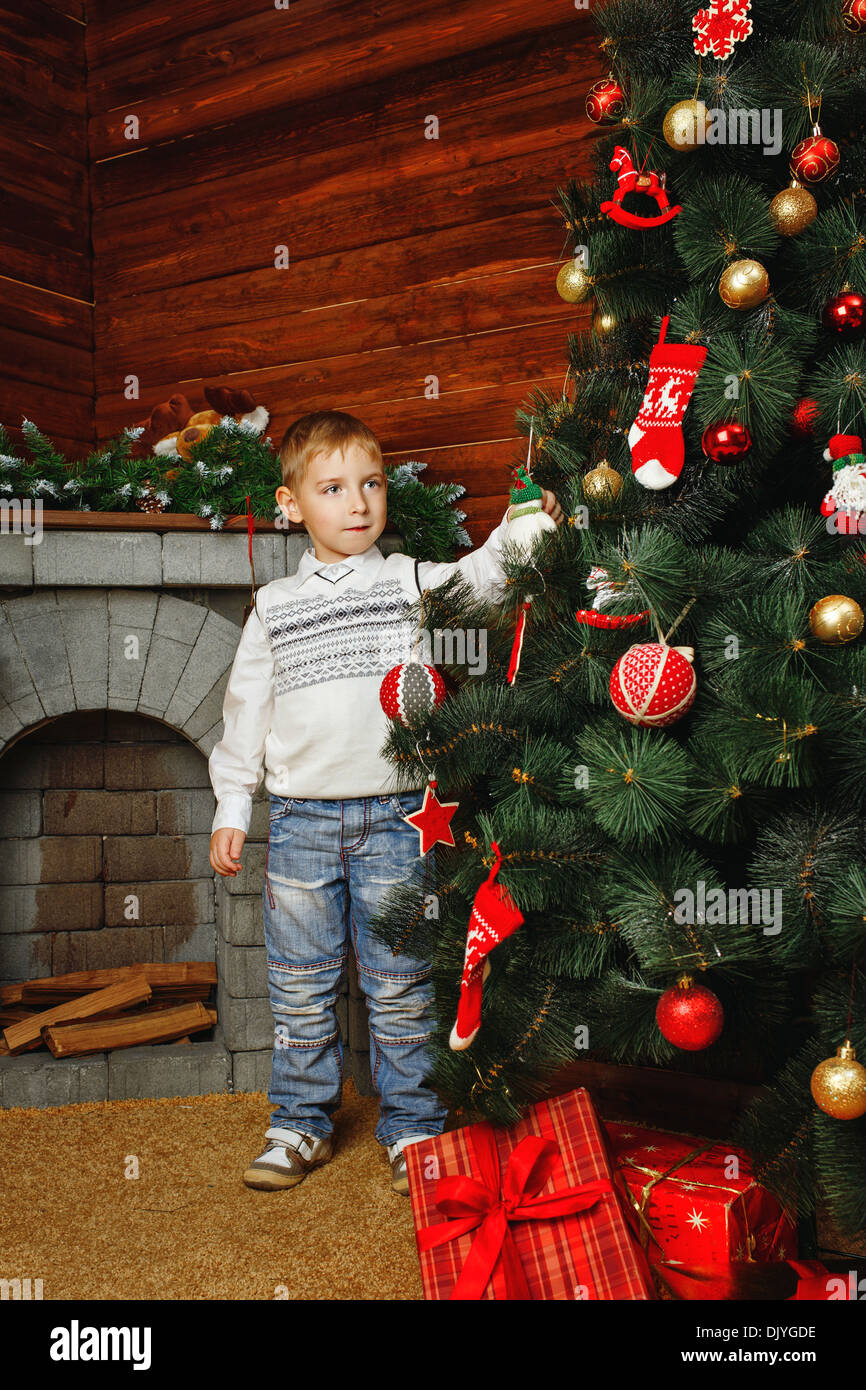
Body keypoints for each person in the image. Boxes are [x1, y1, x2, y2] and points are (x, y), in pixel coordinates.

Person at [208, 410, 562, 1195]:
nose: (358, 503)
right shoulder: (274, 606)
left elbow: (484, 580)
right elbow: (246, 713)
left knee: (399, 982)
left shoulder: (407, 582)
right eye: (333, 488)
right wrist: (233, 806)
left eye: (369, 484)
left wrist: (523, 524)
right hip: (300, 824)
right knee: (300, 983)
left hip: (399, 821)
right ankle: (299, 1122)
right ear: (292, 503)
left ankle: (413, 1130)